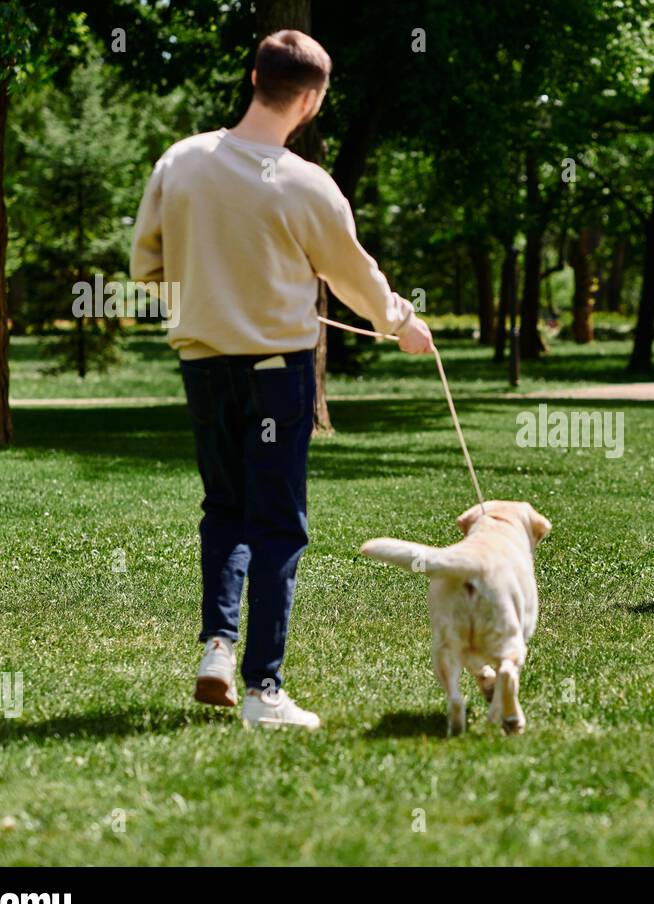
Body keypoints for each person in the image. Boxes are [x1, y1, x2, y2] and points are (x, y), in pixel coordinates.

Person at [130, 29, 433, 728]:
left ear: (253, 77)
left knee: (225, 510)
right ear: (314, 98)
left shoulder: (180, 161)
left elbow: (147, 268)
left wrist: (211, 290)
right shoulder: (307, 184)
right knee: (277, 526)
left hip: (203, 368)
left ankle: (217, 646)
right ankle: (264, 689)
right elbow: (355, 278)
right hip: (277, 375)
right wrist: (400, 323)